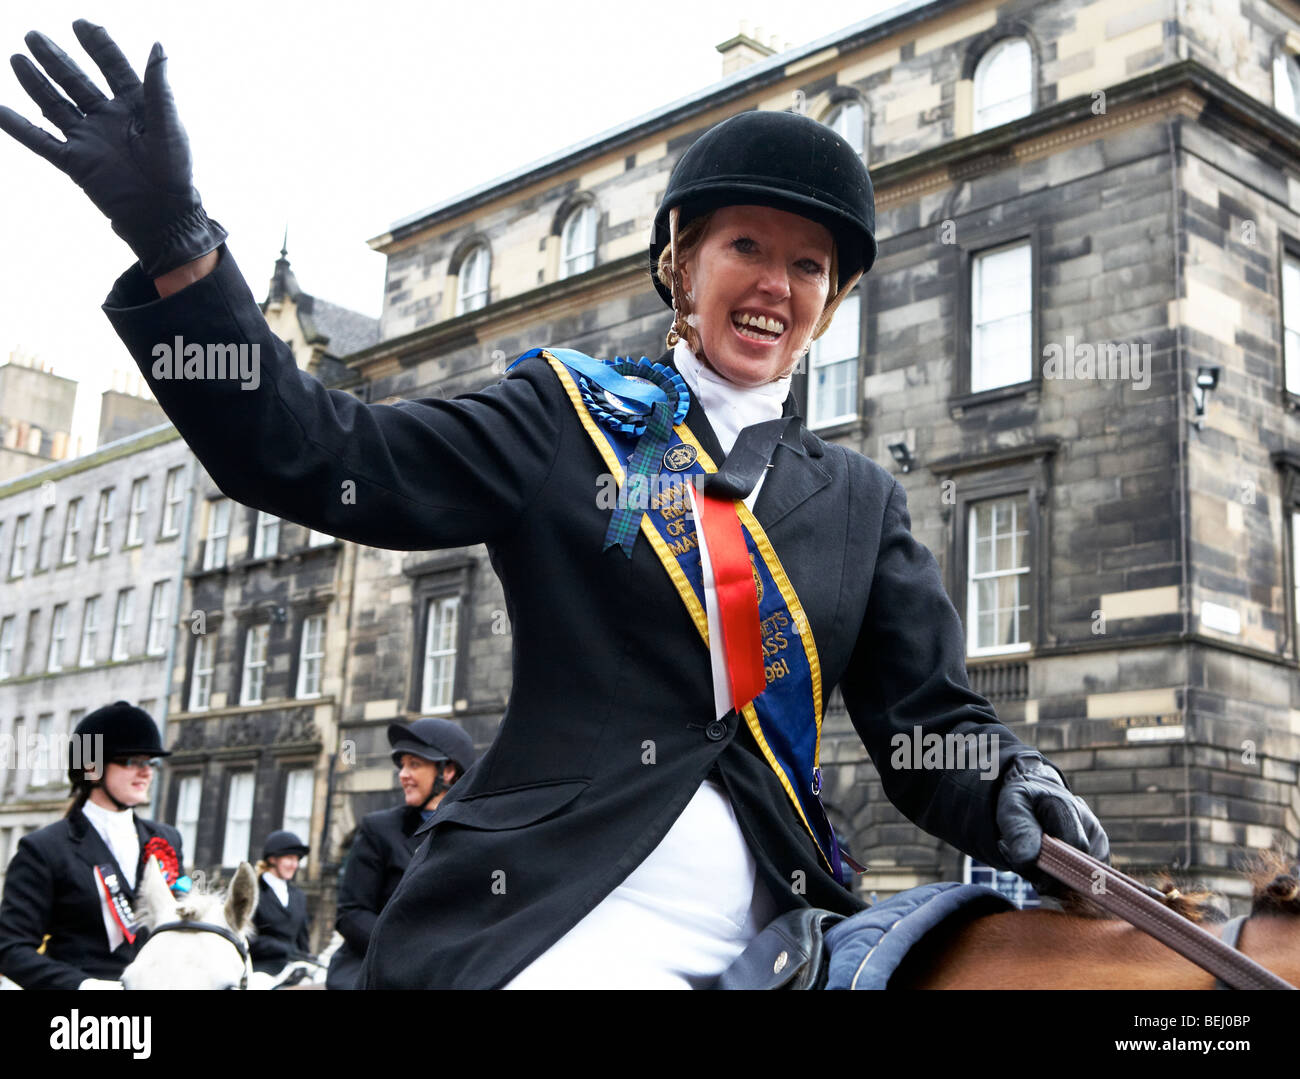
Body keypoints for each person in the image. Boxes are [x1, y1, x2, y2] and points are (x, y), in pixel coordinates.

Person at [0, 22, 1110, 989]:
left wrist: (1012, 778)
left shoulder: (861, 500)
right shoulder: (560, 414)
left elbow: (927, 727)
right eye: (745, 247)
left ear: (834, 298)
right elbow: (304, 451)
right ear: (678, 260)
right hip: (556, 901)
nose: (776, 283)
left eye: (810, 265)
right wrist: (181, 248)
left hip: (782, 917)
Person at [0, 701, 186, 990]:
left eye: (149, 762)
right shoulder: (44, 848)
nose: (146, 772)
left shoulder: (166, 839)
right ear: (92, 767)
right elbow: (11, 948)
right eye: (130, 761)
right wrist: (85, 986)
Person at [325, 717, 476, 989]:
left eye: (414, 764)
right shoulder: (379, 829)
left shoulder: (475, 835)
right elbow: (351, 914)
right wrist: (408, 949)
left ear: (448, 770)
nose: (403, 774)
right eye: (403, 765)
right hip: (376, 968)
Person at [248, 830, 313, 975]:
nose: (294, 865)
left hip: (292, 968)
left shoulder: (299, 896)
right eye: (289, 858)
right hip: (260, 968)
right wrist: (278, 947)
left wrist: (307, 959)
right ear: (272, 859)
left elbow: (303, 940)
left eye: (297, 860)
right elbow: (247, 938)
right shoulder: (254, 892)